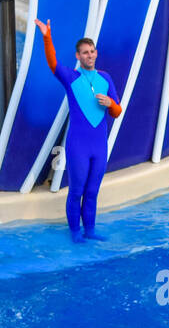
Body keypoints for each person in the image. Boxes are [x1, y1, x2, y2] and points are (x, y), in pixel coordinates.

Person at [35, 18, 123, 242]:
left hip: (99, 146)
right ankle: (75, 232)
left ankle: (90, 230)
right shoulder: (71, 78)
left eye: (92, 51)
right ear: (78, 56)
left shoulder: (106, 78)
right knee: (76, 192)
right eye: (85, 52)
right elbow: (53, 63)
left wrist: (110, 104)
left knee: (92, 192)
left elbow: (117, 111)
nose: (90, 55)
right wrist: (47, 37)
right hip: (78, 146)